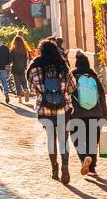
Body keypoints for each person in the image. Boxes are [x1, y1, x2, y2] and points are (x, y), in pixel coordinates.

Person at [28, 40, 76, 184]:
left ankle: (54, 168)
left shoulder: (35, 66)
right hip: (63, 108)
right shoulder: (63, 66)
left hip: (45, 108)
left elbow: (32, 88)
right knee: (63, 138)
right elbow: (73, 86)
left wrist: (43, 91)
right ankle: (65, 165)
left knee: (51, 139)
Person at [68, 51, 107, 179]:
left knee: (76, 138)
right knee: (92, 141)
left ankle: (84, 157)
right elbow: (102, 97)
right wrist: (105, 114)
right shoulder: (94, 78)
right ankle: (91, 168)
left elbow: (67, 96)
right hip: (95, 113)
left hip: (77, 114)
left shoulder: (72, 78)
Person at [9, 34, 30, 103]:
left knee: (17, 83)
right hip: (22, 68)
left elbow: (10, 59)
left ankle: (20, 98)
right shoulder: (24, 50)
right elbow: (26, 59)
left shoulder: (13, 50)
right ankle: (26, 90)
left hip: (15, 68)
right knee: (24, 82)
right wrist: (25, 67)